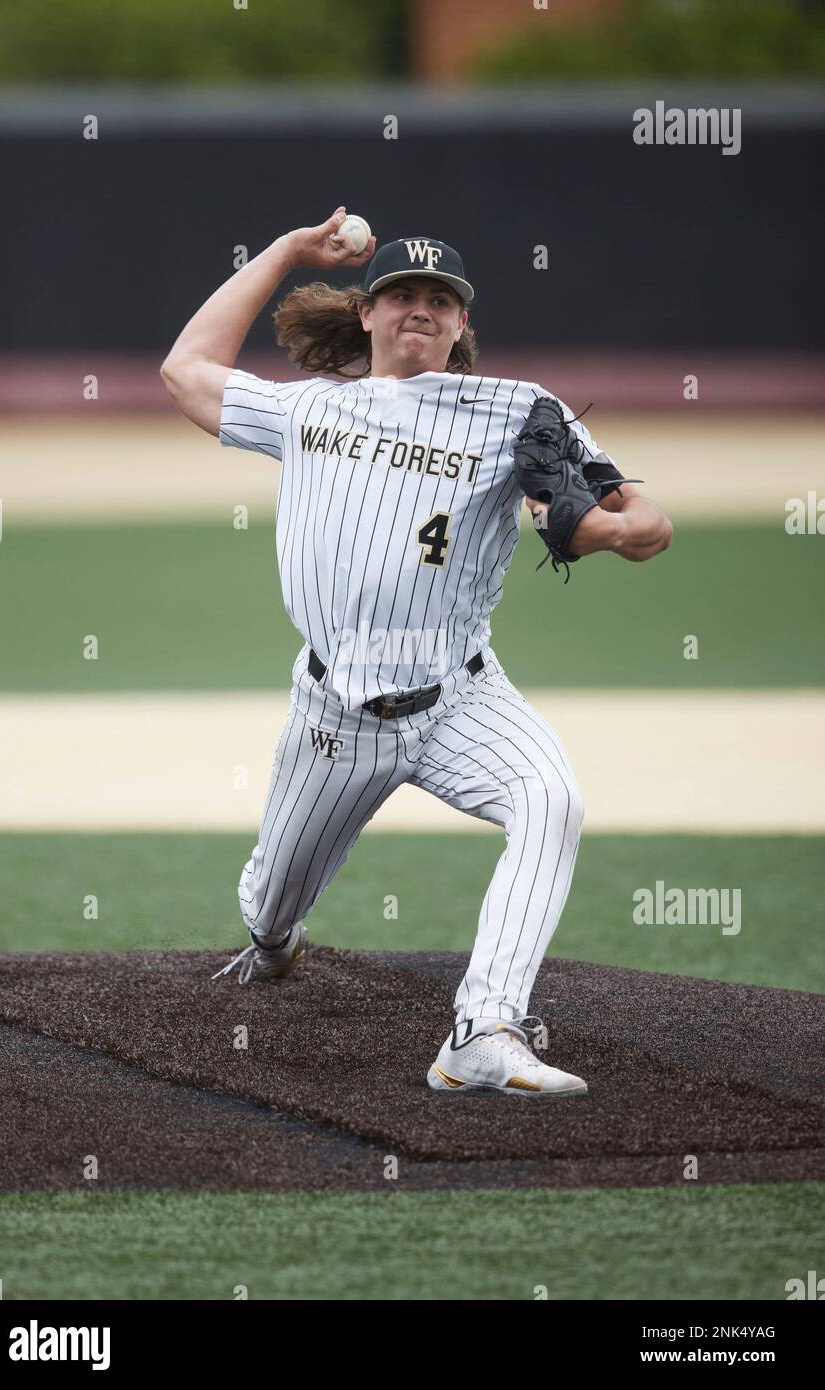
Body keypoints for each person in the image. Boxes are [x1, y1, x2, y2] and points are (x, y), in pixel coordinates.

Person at [160, 207, 672, 1097]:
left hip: (460, 699)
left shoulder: (518, 411)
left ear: (462, 322)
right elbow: (185, 370)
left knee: (550, 800)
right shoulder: (309, 408)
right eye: (401, 295)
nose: (420, 310)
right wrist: (283, 252)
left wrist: (586, 528)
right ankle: (276, 943)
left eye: (441, 299)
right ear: (366, 314)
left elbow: (649, 526)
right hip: (335, 718)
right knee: (270, 912)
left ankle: (484, 1030)